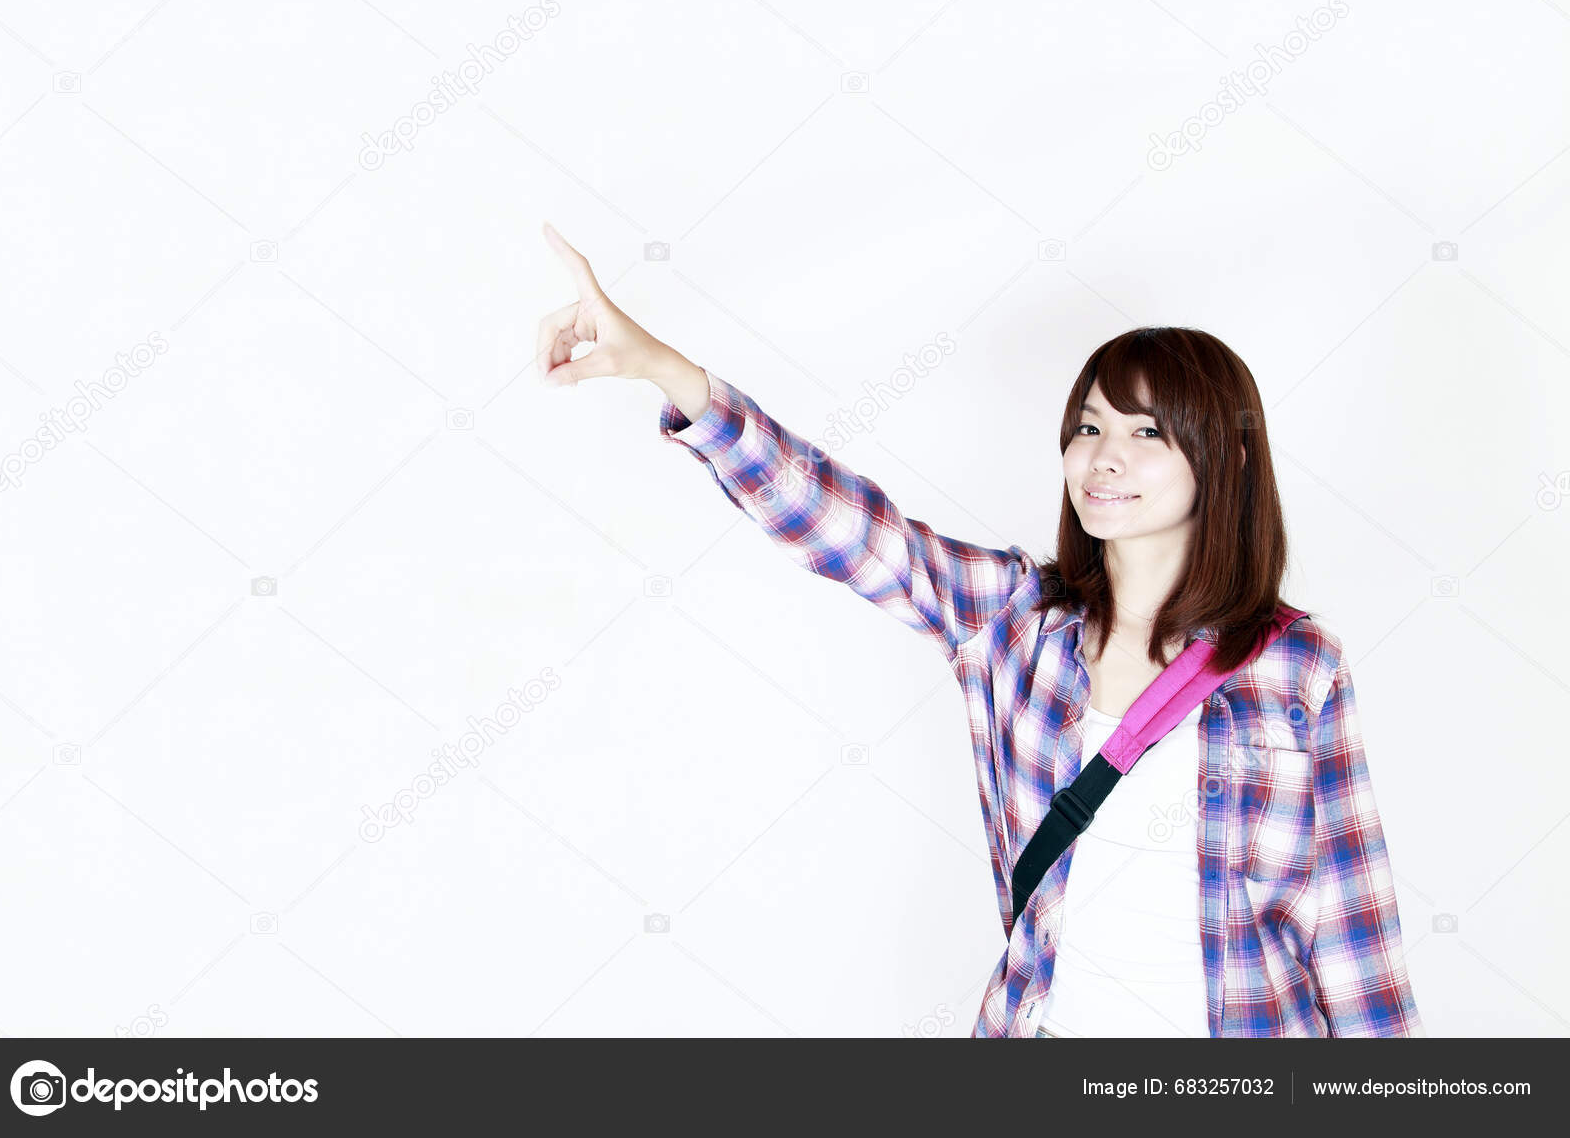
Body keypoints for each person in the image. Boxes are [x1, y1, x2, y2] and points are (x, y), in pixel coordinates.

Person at [534, 222, 1424, 1039]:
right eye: (1087, 426)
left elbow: (1349, 929)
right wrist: (661, 365)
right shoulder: (1014, 621)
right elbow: (851, 530)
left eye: (1147, 432)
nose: (1103, 457)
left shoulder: (1296, 666)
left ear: (1225, 455)